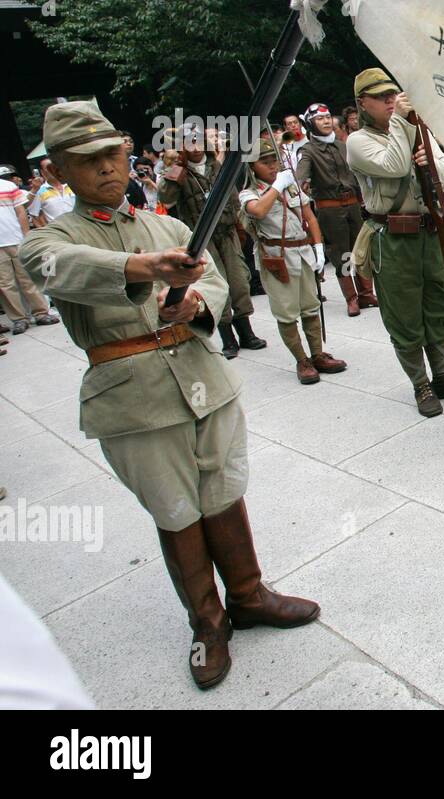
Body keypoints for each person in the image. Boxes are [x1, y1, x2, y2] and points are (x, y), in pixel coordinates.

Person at [19, 101, 319, 690]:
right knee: (175, 508)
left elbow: (211, 279)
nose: (107, 168)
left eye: (113, 153)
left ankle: (249, 595)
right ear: (56, 171)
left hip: (205, 376)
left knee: (223, 491)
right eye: (88, 160)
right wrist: (143, 267)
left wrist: (196, 303)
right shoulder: (51, 238)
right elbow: (61, 267)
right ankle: (207, 623)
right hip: (135, 396)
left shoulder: (170, 226)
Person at [346, 68, 444, 416]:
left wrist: (430, 164)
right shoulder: (358, 141)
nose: (391, 101)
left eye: (392, 94)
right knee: (403, 314)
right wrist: (403, 124)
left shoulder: (417, 129)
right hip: (392, 238)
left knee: (438, 304)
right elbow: (393, 165)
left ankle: (443, 376)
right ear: (362, 103)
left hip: (428, 234)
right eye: (381, 97)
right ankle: (421, 384)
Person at [240, 139, 346, 383]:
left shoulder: (291, 187)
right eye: (264, 162)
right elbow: (258, 211)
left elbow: (310, 217)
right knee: (286, 313)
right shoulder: (250, 193)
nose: (272, 166)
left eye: (273, 161)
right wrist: (277, 186)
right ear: (252, 166)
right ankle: (302, 360)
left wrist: (318, 247)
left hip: (302, 252)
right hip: (276, 258)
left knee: (310, 307)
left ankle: (317, 354)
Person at [156, 126, 267, 358]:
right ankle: (228, 337)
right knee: (217, 283)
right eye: (189, 142)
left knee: (239, 281)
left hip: (227, 233)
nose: (195, 147)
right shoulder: (180, 170)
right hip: (201, 238)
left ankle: (246, 332)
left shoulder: (217, 166)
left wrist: (240, 227)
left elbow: (233, 198)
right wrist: (174, 168)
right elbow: (166, 198)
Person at [295, 102, 377, 316]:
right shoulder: (308, 151)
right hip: (330, 209)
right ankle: (352, 298)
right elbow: (301, 175)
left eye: (327, 117)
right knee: (342, 254)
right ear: (310, 123)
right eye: (319, 119)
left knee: (361, 249)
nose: (325, 121)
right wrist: (300, 182)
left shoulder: (343, 145)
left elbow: (358, 172)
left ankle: (367, 293)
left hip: (353, 204)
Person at [0, 165, 59, 336]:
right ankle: (19, 319)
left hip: (16, 239)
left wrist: (26, 236)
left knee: (28, 278)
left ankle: (41, 313)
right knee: (5, 284)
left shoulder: (8, 186)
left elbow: (21, 212)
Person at [29, 157, 77, 228]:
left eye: (54, 166)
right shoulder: (40, 191)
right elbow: (34, 216)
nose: (52, 170)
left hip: (80, 228)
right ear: (42, 172)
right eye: (48, 168)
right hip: (59, 231)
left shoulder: (71, 184)